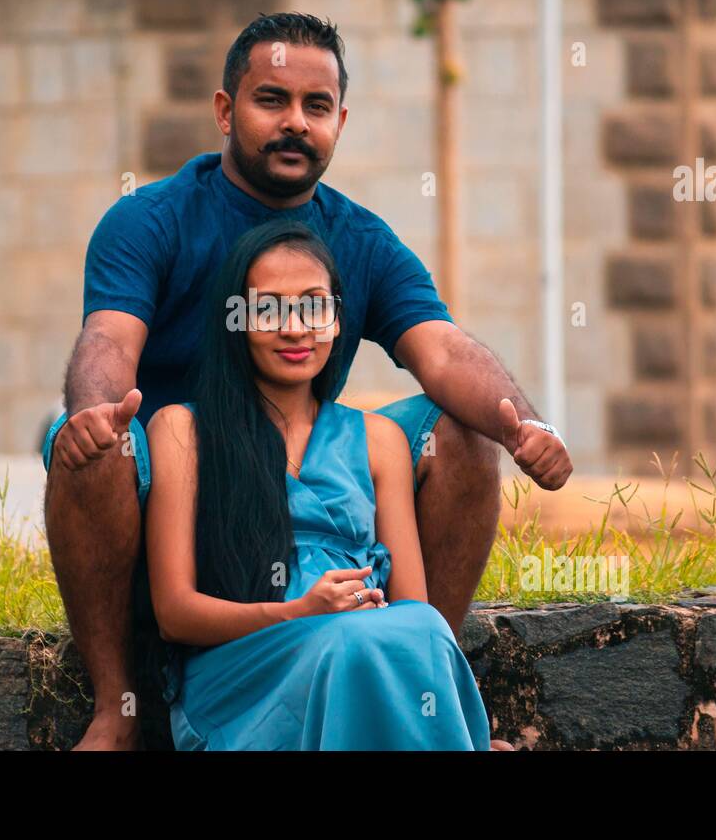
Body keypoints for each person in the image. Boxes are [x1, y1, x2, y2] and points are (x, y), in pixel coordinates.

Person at [42, 12, 572, 750]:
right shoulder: (152, 219)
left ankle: (421, 683)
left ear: (339, 122)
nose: (295, 122)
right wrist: (96, 412)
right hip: (173, 472)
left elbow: (447, 353)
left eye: (316, 106)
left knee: (465, 430)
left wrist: (526, 426)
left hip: (304, 464)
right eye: (272, 100)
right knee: (101, 442)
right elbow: (108, 337)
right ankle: (116, 706)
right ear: (225, 110)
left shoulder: (362, 240)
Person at [146, 221, 491, 749]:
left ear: (337, 319)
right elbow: (174, 613)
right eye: (268, 309)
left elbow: (413, 609)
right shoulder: (183, 430)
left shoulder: (379, 440)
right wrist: (299, 612)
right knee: (348, 643)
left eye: (314, 306)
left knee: (420, 629)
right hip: (243, 669)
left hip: (357, 646)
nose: (295, 328)